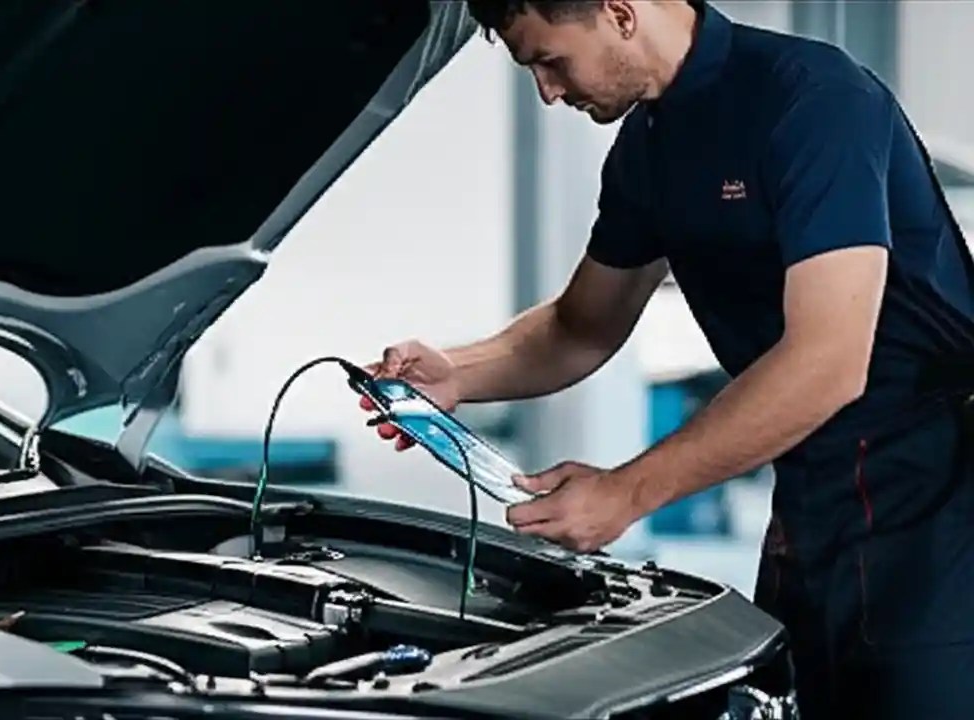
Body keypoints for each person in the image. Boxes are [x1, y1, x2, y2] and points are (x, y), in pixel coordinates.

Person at [361, 1, 974, 718]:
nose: (548, 93)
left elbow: (830, 360)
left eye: (549, 62)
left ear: (620, 12)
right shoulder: (649, 146)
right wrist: (459, 372)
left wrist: (628, 492)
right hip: (810, 513)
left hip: (938, 516)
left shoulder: (813, 102)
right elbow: (580, 325)